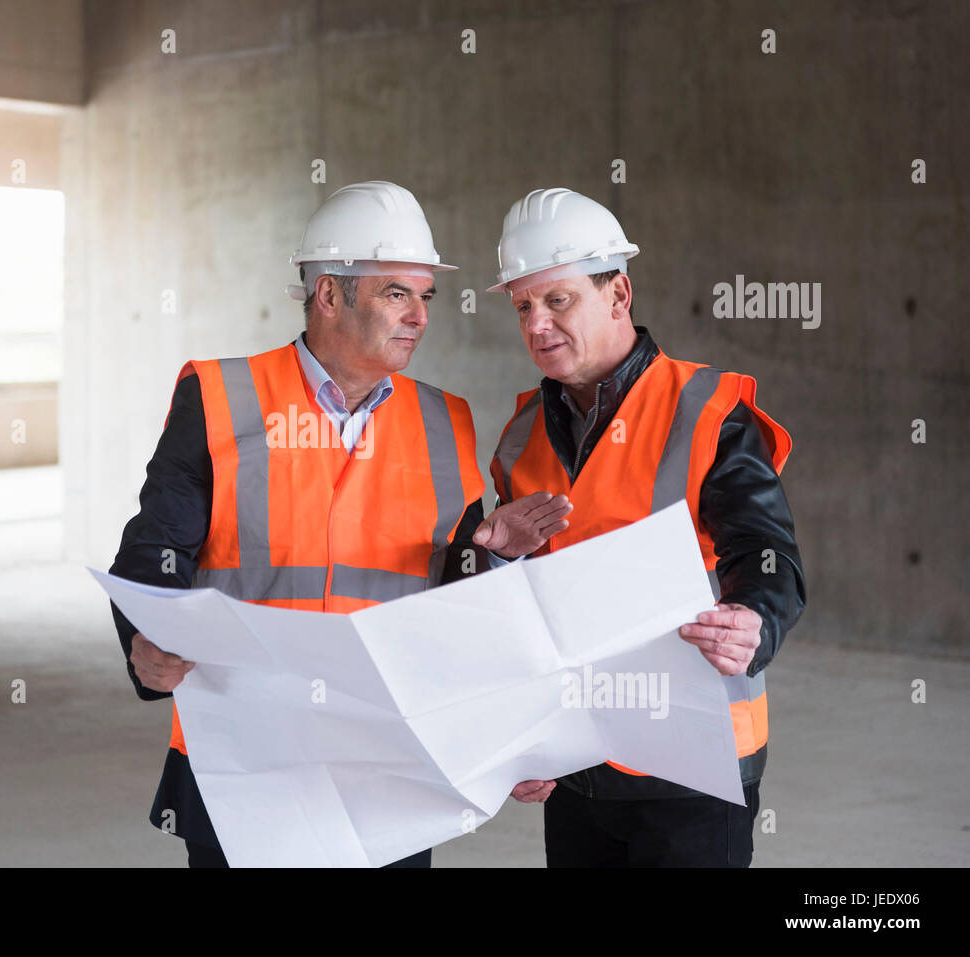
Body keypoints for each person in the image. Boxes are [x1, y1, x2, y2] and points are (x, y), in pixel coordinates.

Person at [109, 180, 571, 868]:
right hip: (245, 762)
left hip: (388, 766)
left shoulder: (446, 421)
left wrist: (491, 558)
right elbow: (155, 550)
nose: (420, 315)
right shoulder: (220, 397)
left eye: (426, 296)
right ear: (328, 295)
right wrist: (149, 640)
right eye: (396, 293)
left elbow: (454, 601)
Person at [486, 187, 807, 866]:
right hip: (578, 760)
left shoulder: (706, 411)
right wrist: (522, 733)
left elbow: (767, 550)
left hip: (695, 760)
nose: (537, 324)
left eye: (558, 299)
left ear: (618, 294)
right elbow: (519, 611)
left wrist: (757, 617)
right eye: (523, 306)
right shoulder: (520, 440)